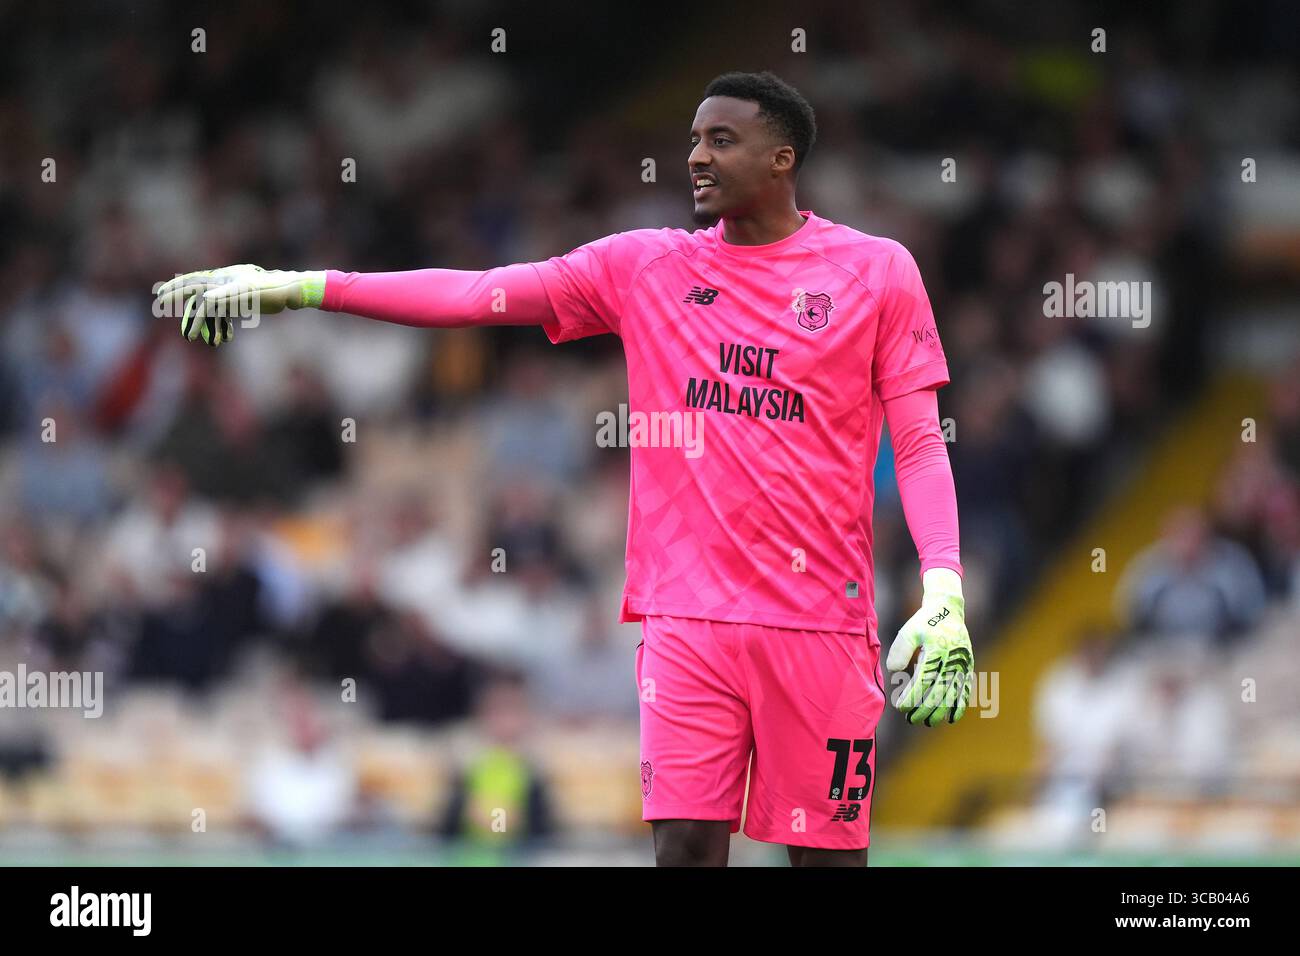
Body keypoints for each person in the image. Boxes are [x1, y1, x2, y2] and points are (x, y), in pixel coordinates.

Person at [154, 71, 972, 867]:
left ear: (782, 157)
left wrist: (942, 593)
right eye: (692, 140)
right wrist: (298, 286)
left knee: (826, 860)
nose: (696, 157)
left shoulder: (877, 271)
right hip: (687, 619)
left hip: (821, 620)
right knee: (684, 848)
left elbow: (922, 443)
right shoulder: (646, 266)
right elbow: (478, 294)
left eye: (722, 140)